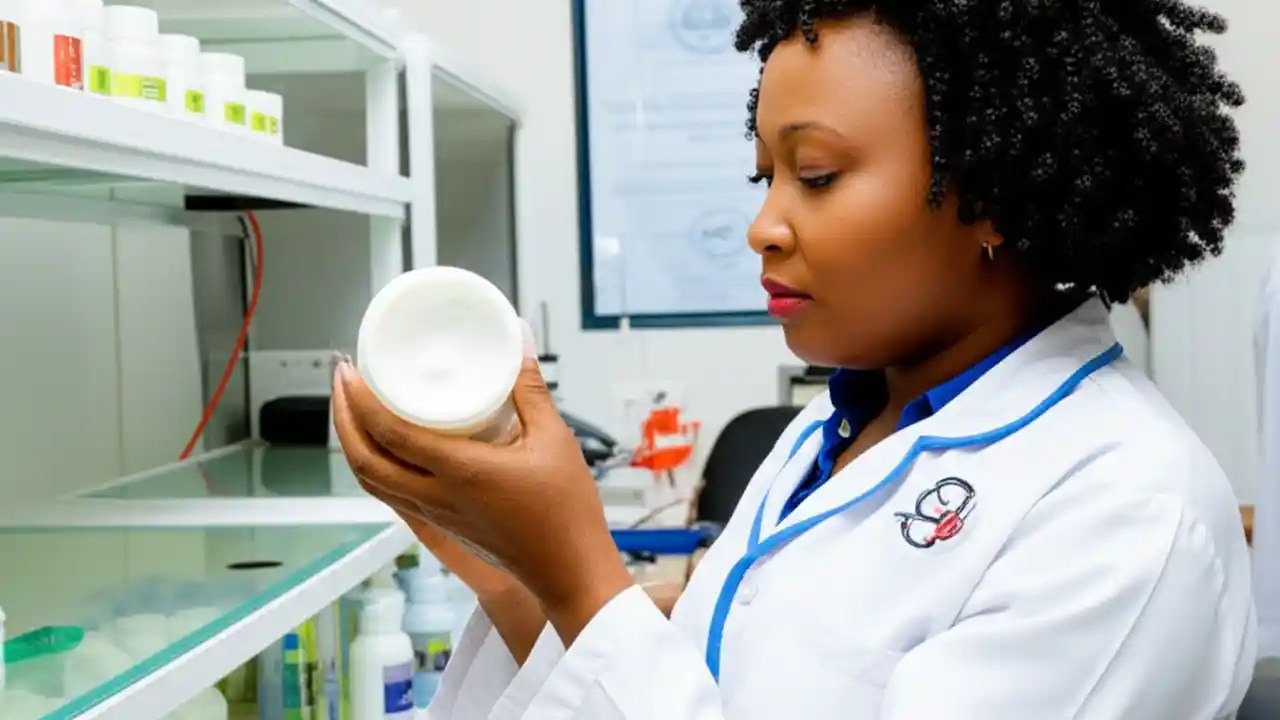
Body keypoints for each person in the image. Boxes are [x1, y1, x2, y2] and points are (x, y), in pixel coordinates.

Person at [332, 1, 1257, 717]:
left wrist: (580, 571)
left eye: (814, 176)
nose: (765, 226)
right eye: (764, 177)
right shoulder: (835, 430)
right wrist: (508, 568)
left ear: (992, 194)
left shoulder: (1128, 514)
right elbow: (677, 689)